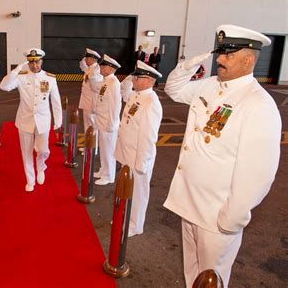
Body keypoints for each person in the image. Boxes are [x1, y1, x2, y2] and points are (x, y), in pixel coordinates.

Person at [163, 24, 281, 287]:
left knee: (211, 278)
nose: (220, 59)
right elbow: (175, 90)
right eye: (221, 53)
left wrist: (231, 218)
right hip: (189, 202)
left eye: (229, 54)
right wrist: (186, 67)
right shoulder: (210, 86)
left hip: (217, 215)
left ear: (248, 59)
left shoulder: (257, 104)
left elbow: (257, 174)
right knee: (192, 272)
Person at [0, 48, 62, 192]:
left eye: (37, 62)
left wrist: (58, 121)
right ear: (28, 62)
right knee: (26, 152)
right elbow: (4, 86)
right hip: (25, 120)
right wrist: (16, 70)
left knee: (43, 150)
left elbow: (56, 101)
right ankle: (30, 180)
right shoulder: (21, 76)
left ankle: (41, 167)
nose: (34, 65)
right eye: (31, 62)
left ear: (41, 61)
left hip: (43, 120)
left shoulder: (50, 78)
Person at [115, 60, 163, 237]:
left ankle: (135, 224)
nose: (134, 80)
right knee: (127, 189)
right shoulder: (136, 95)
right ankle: (125, 217)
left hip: (138, 156)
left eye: (138, 77)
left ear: (150, 80)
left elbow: (148, 137)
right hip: (127, 152)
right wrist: (131, 76)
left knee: (139, 193)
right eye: (134, 76)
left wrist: (142, 163)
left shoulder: (150, 102)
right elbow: (123, 89)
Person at [88, 54, 122, 185]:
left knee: (109, 150)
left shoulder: (113, 83)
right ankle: (103, 170)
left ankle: (109, 175)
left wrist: (112, 123)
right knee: (103, 148)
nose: (101, 67)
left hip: (108, 122)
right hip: (101, 120)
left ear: (111, 68)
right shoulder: (105, 81)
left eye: (104, 66)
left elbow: (115, 105)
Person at [78, 48, 100, 152]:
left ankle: (92, 148)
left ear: (92, 59)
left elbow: (97, 88)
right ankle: (88, 146)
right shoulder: (89, 68)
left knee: (92, 125)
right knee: (87, 125)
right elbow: (82, 65)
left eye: (88, 58)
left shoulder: (97, 69)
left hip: (92, 103)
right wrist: (84, 57)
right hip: (86, 101)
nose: (86, 59)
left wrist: (94, 106)